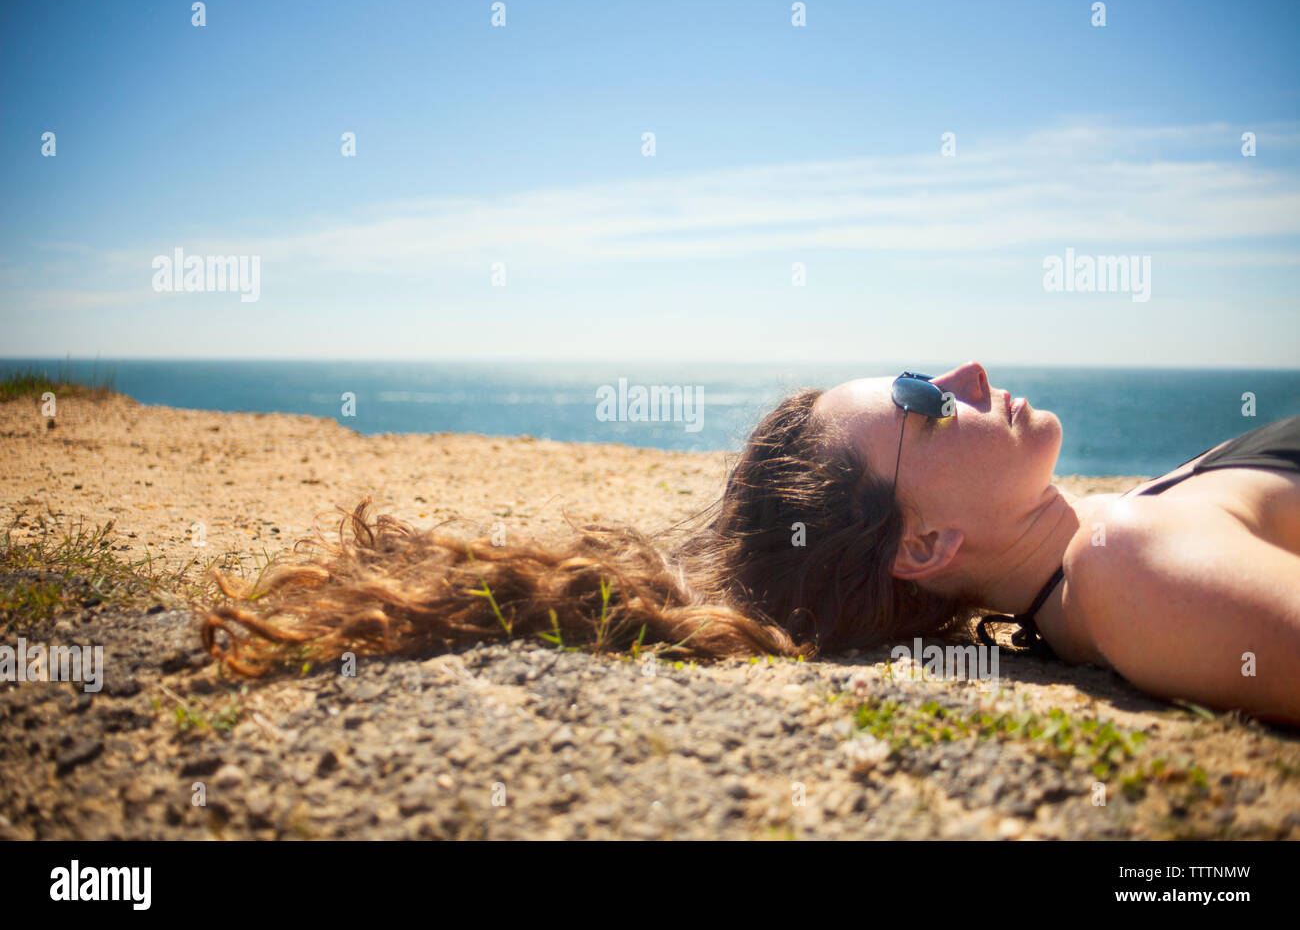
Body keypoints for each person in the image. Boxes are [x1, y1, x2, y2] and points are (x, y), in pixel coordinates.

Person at [201, 362, 1300, 726]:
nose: (963, 374)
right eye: (924, 402)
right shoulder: (1129, 571)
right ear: (925, 545)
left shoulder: (1103, 539)